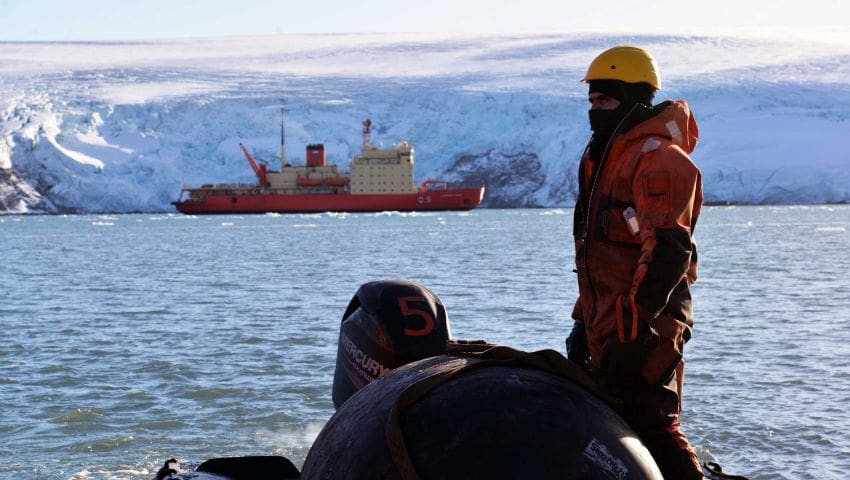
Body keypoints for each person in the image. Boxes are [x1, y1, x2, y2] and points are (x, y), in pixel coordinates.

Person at [565, 45, 704, 478]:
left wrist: (634, 333)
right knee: (607, 422)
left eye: (604, 100)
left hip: (648, 322)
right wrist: (584, 320)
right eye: (592, 100)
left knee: (654, 422)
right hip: (606, 320)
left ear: (633, 100)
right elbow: (596, 255)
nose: (595, 110)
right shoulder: (600, 157)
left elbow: (667, 252)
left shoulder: (660, 160)